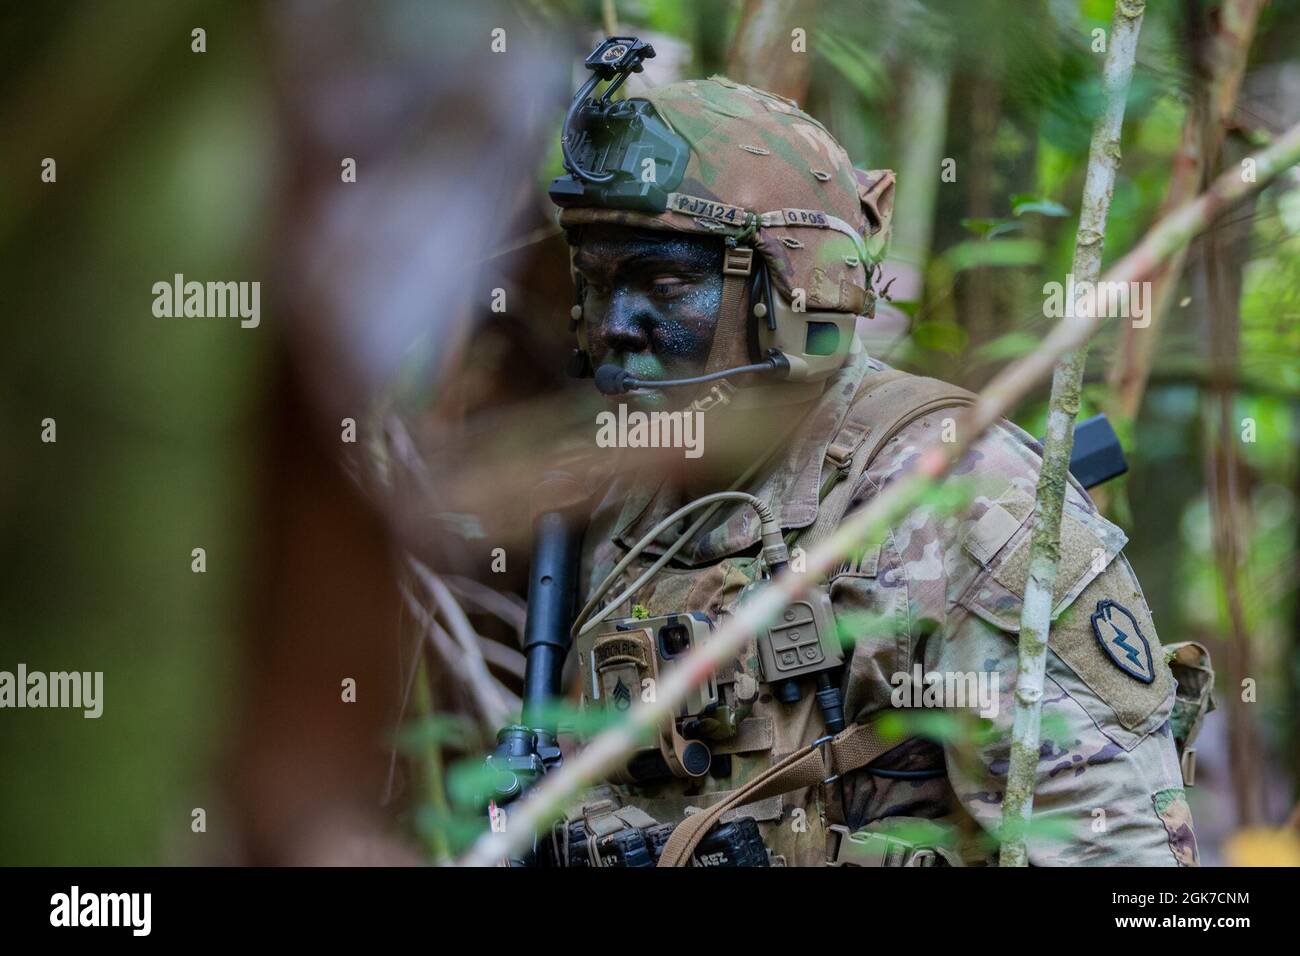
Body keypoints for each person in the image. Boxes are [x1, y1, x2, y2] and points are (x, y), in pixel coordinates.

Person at [546, 44, 1204, 867]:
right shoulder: (623, 504)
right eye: (597, 282)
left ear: (792, 294)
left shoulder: (969, 503)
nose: (614, 324)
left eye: (663, 285)